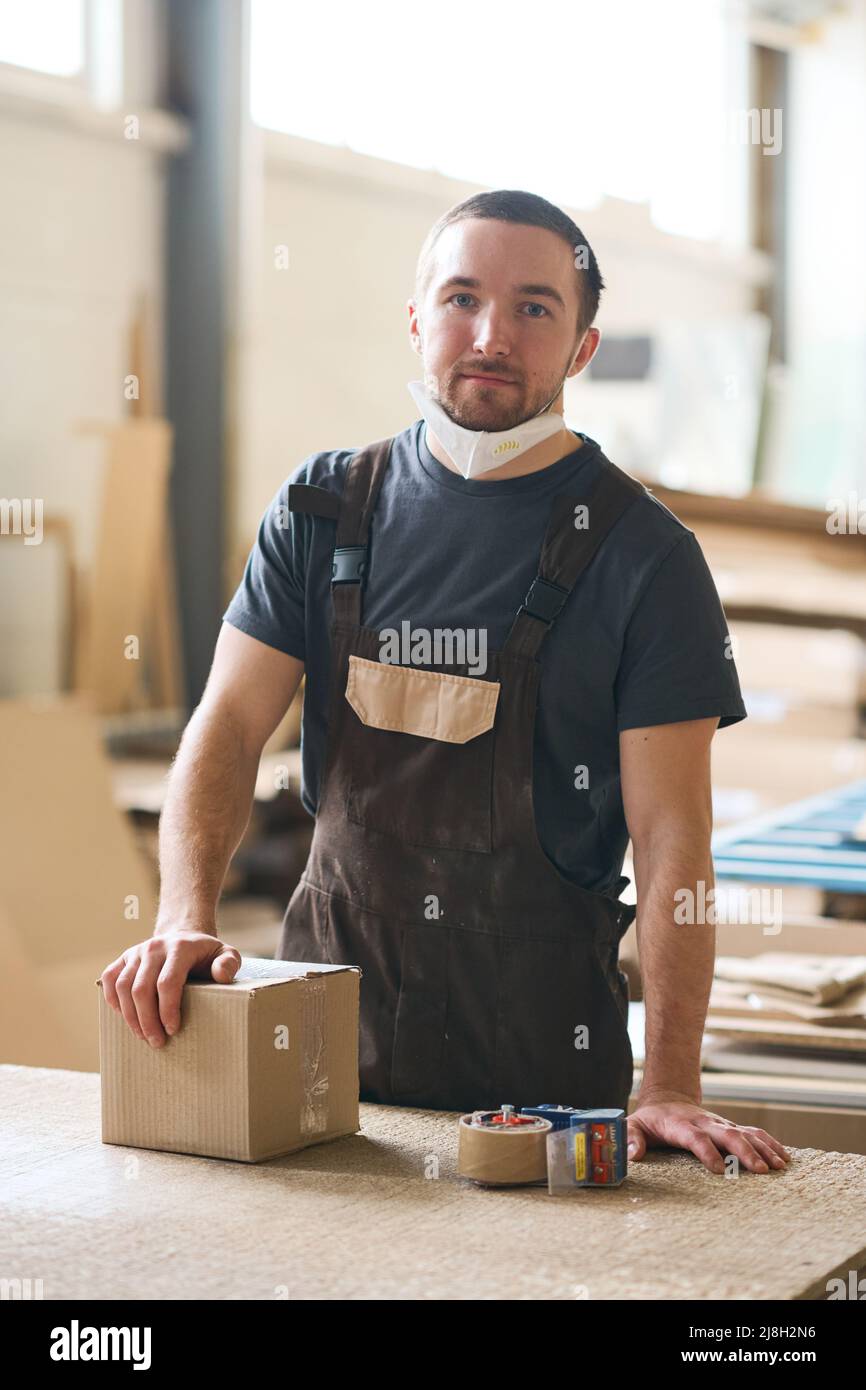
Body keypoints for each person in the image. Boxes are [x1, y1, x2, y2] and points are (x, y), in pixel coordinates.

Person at [101, 189, 790, 1177]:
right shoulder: (323, 509)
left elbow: (671, 835)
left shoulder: (644, 557)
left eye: (534, 308)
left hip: (546, 1083)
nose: (491, 335)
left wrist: (669, 1079)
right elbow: (226, 726)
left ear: (582, 348)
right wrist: (183, 916)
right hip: (316, 1064)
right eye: (461, 298)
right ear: (416, 318)